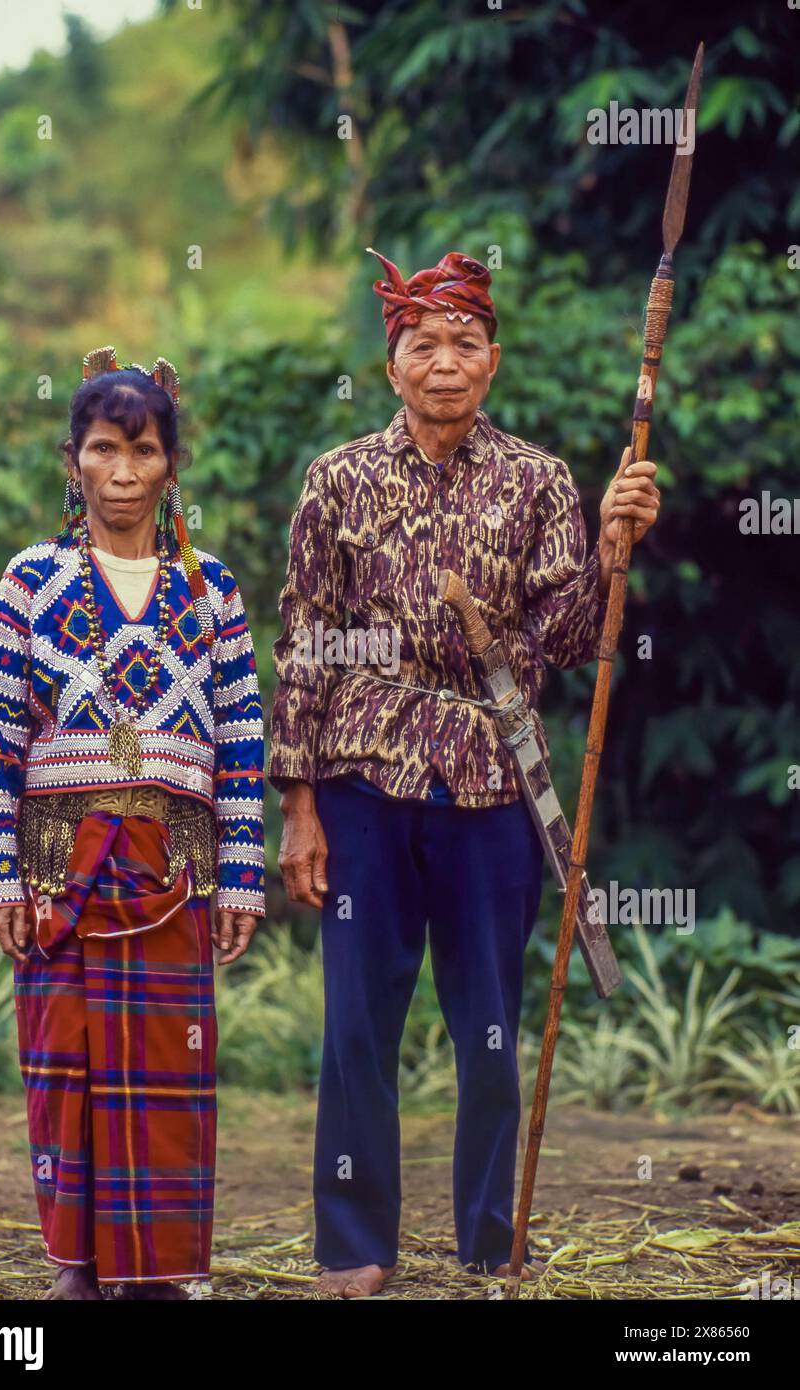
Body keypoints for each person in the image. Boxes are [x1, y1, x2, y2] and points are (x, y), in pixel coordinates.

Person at [268, 249, 660, 1297]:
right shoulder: (336, 481)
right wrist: (297, 806)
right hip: (361, 782)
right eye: (420, 344)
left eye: (463, 344)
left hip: (494, 786)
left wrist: (614, 546)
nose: (443, 362)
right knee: (356, 1026)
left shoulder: (536, 481)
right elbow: (304, 639)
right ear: (390, 364)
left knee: (487, 1029)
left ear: (492, 361)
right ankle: (353, 1247)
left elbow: (572, 634)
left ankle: (491, 1238)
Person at [0, 347, 265, 1299]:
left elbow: (243, 747)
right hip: (59, 864)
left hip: (172, 865)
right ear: (74, 462)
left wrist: (242, 875)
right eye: (103, 450)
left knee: (162, 1076)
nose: (123, 472)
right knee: (66, 1066)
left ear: (171, 465)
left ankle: (158, 1271)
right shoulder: (30, 583)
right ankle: (78, 1266)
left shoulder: (211, 591)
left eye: (142, 451)